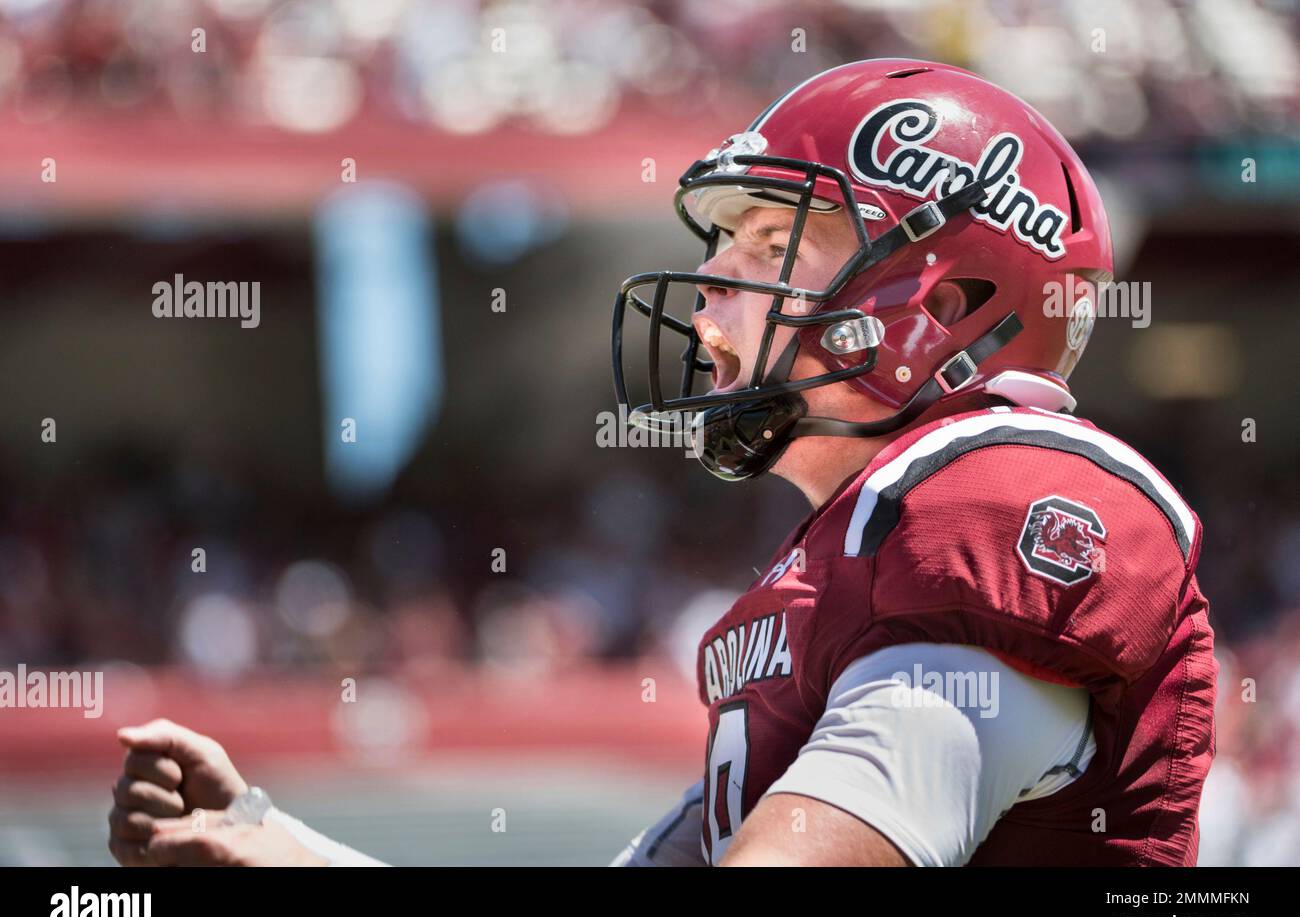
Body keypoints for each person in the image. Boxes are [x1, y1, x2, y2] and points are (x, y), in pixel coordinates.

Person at [108, 59, 1216, 867]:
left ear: (945, 302)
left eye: (767, 245)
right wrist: (278, 846)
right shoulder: (831, 569)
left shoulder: (1000, 503)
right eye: (718, 247)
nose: (710, 301)